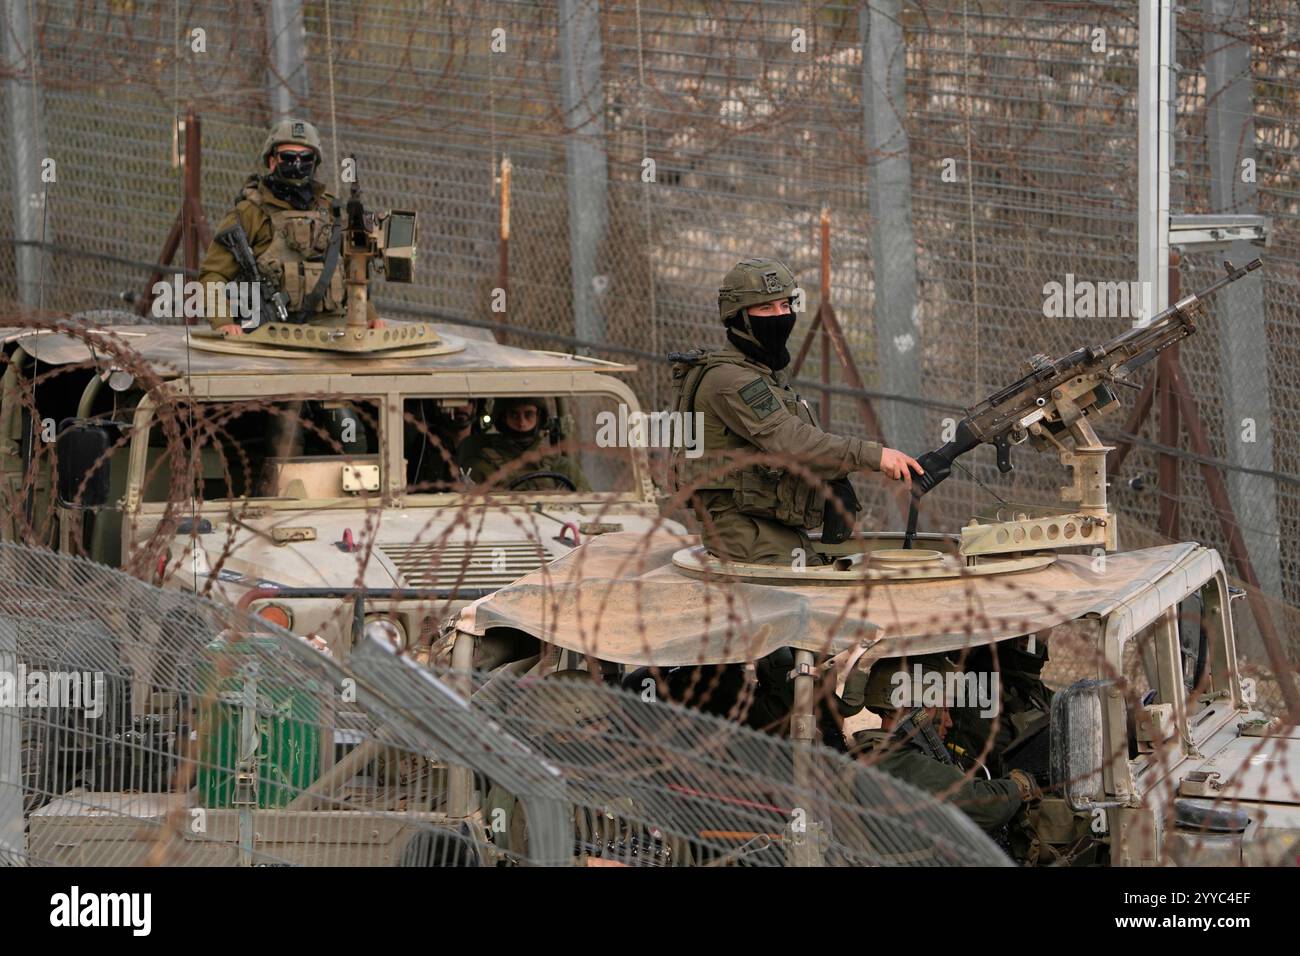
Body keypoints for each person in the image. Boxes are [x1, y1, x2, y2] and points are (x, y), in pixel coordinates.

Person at [670, 257, 924, 565]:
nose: (779, 316)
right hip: (743, 532)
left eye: (784, 306)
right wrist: (874, 456)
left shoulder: (761, 373)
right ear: (738, 317)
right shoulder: (731, 380)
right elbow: (790, 441)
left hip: (771, 526)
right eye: (765, 308)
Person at [197, 118, 382, 335]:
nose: (296, 164)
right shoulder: (250, 213)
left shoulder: (333, 212)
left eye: (305, 158)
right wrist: (223, 322)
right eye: (287, 157)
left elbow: (354, 270)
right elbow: (213, 275)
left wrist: (368, 317)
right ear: (272, 160)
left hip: (332, 333)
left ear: (315, 163)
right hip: (268, 334)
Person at [849, 654, 1039, 835]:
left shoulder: (872, 751)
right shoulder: (897, 760)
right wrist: (1018, 785)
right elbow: (985, 805)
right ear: (915, 707)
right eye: (944, 709)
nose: (949, 721)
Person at [457, 396, 590, 492]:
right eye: (514, 415)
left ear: (539, 417)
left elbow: (589, 506)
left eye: (529, 414)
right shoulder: (481, 467)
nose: (522, 423)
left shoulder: (561, 466)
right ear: (503, 418)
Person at [406, 400, 478, 490]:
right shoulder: (426, 444)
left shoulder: (483, 445)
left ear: (475, 406)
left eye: (466, 401)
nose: (460, 407)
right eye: (454, 401)